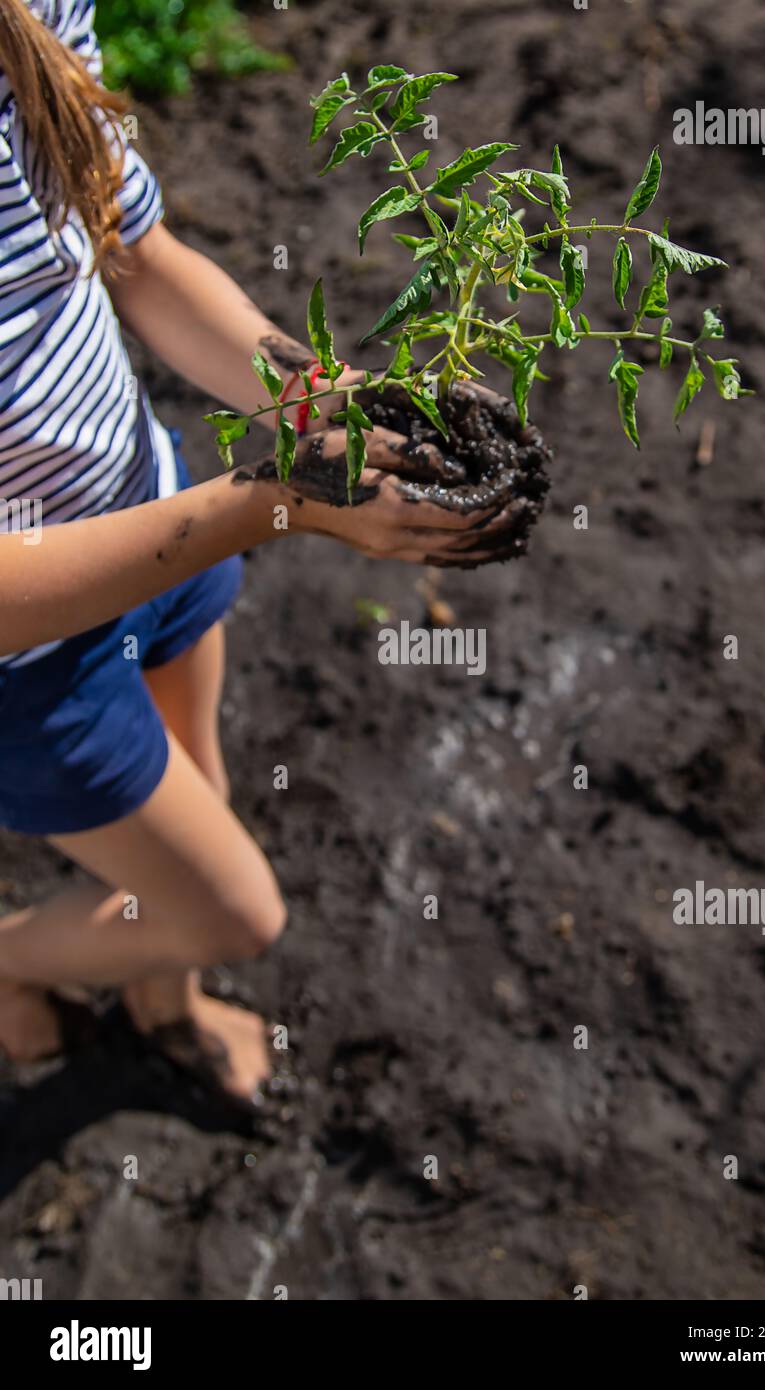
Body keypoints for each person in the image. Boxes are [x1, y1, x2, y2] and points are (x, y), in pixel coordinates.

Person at [0, 0, 524, 1102]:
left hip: (146, 495)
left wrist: (327, 411)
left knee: (206, 782)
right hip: (27, 660)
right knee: (231, 907)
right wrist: (277, 499)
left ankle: (163, 1001)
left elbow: (132, 252)